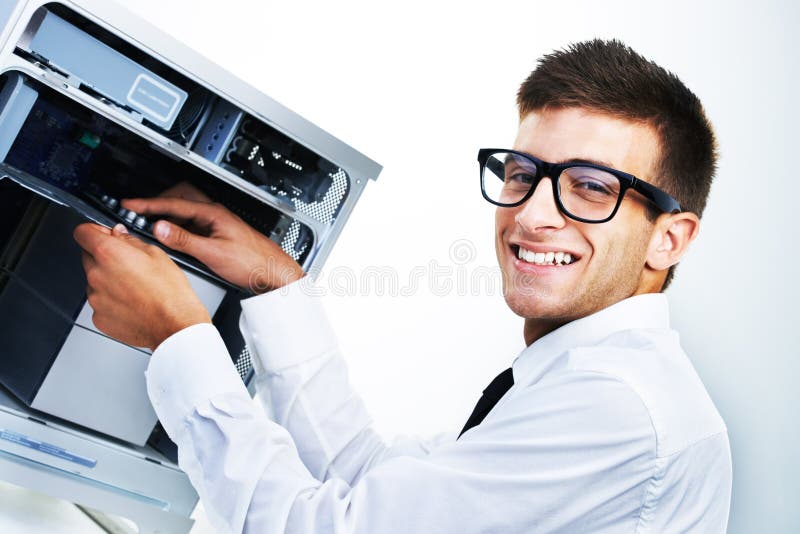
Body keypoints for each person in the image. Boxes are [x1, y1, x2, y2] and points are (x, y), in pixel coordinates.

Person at [73, 39, 732, 532]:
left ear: (669, 238)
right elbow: (374, 484)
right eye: (521, 173)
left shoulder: (621, 408)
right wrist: (279, 286)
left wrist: (178, 338)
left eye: (590, 187)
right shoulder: (581, 379)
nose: (532, 213)